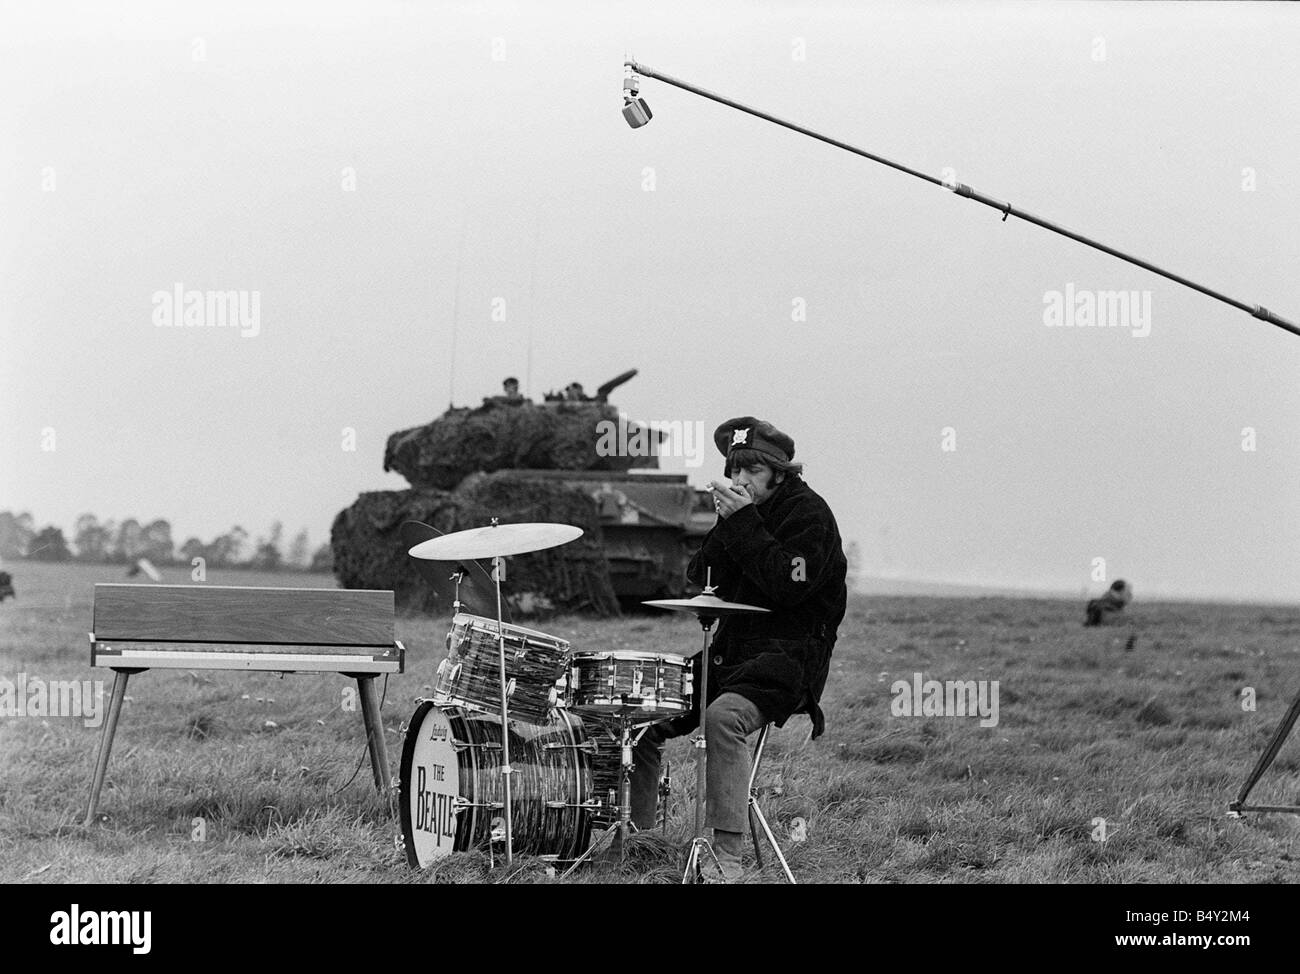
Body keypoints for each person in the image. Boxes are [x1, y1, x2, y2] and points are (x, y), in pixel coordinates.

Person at [629, 416, 847, 881]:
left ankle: (726, 858)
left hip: (788, 660)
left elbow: (790, 586)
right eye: (733, 470)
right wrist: (728, 525)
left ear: (779, 472)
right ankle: (637, 842)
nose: (739, 479)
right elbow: (701, 577)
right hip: (731, 653)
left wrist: (744, 522)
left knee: (723, 718)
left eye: (751, 470)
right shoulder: (739, 513)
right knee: (640, 718)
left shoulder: (810, 515)